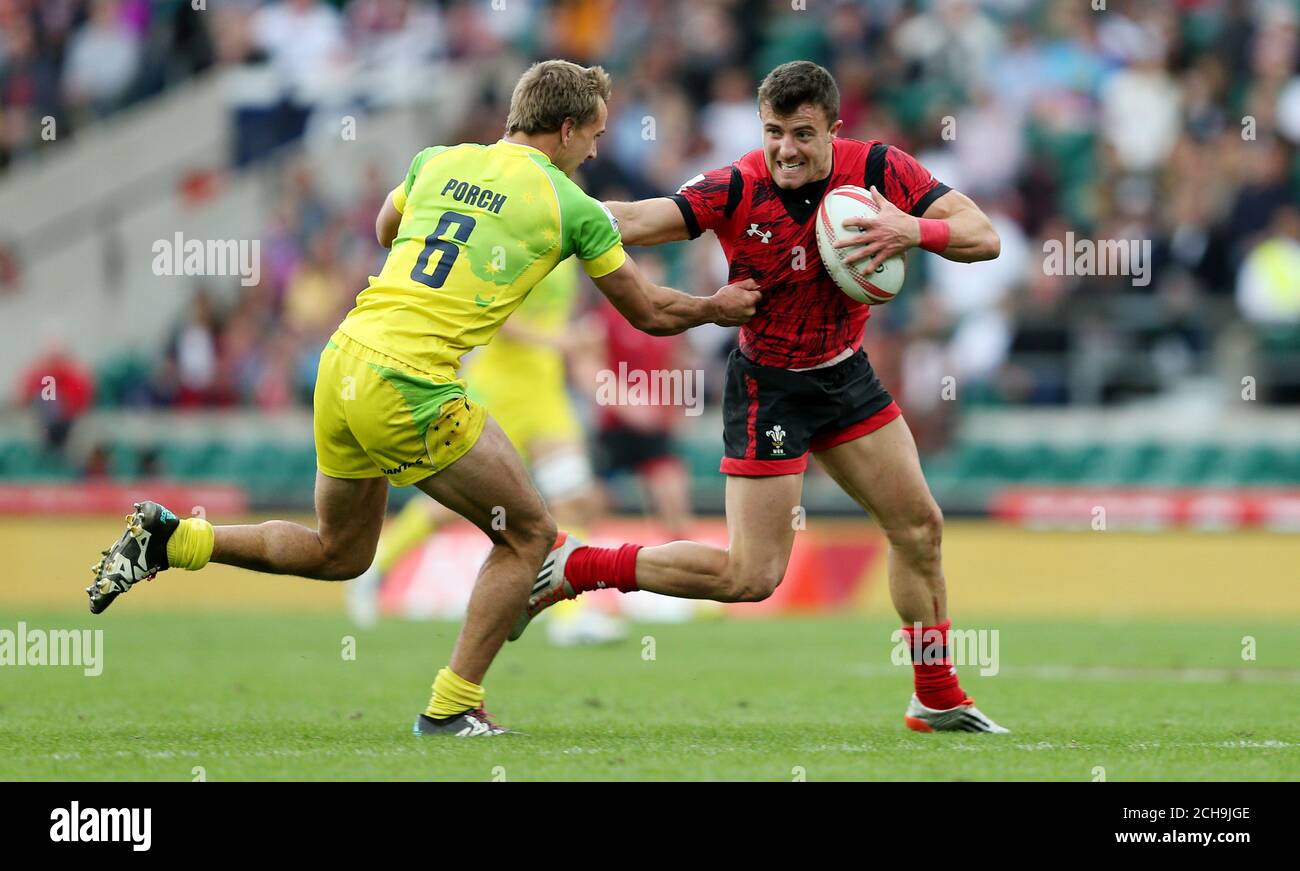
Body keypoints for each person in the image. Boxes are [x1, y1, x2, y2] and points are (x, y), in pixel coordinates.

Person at [85, 60, 759, 737]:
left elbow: (386, 231)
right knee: (529, 535)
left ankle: (175, 539)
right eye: (594, 135)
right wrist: (718, 305)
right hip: (410, 380)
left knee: (340, 552)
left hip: (343, 361)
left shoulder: (438, 159)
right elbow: (648, 311)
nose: (595, 150)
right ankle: (452, 703)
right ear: (565, 129)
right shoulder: (569, 203)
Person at [515, 60, 1009, 733]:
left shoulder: (881, 170)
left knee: (919, 526)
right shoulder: (736, 185)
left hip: (845, 373)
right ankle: (579, 563)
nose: (785, 148)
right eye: (773, 131)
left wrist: (910, 229)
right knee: (751, 576)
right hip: (769, 387)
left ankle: (937, 694)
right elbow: (632, 219)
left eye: (803, 133)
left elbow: (985, 235)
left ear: (835, 129)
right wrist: (534, 200)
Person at [345, 257, 627, 647]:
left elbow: (560, 326)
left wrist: (593, 368)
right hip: (497, 394)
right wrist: (559, 340)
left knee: (575, 501)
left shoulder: (569, 253)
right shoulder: (516, 248)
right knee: (450, 508)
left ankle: (569, 616)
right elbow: (496, 320)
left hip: (545, 397)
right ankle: (377, 568)